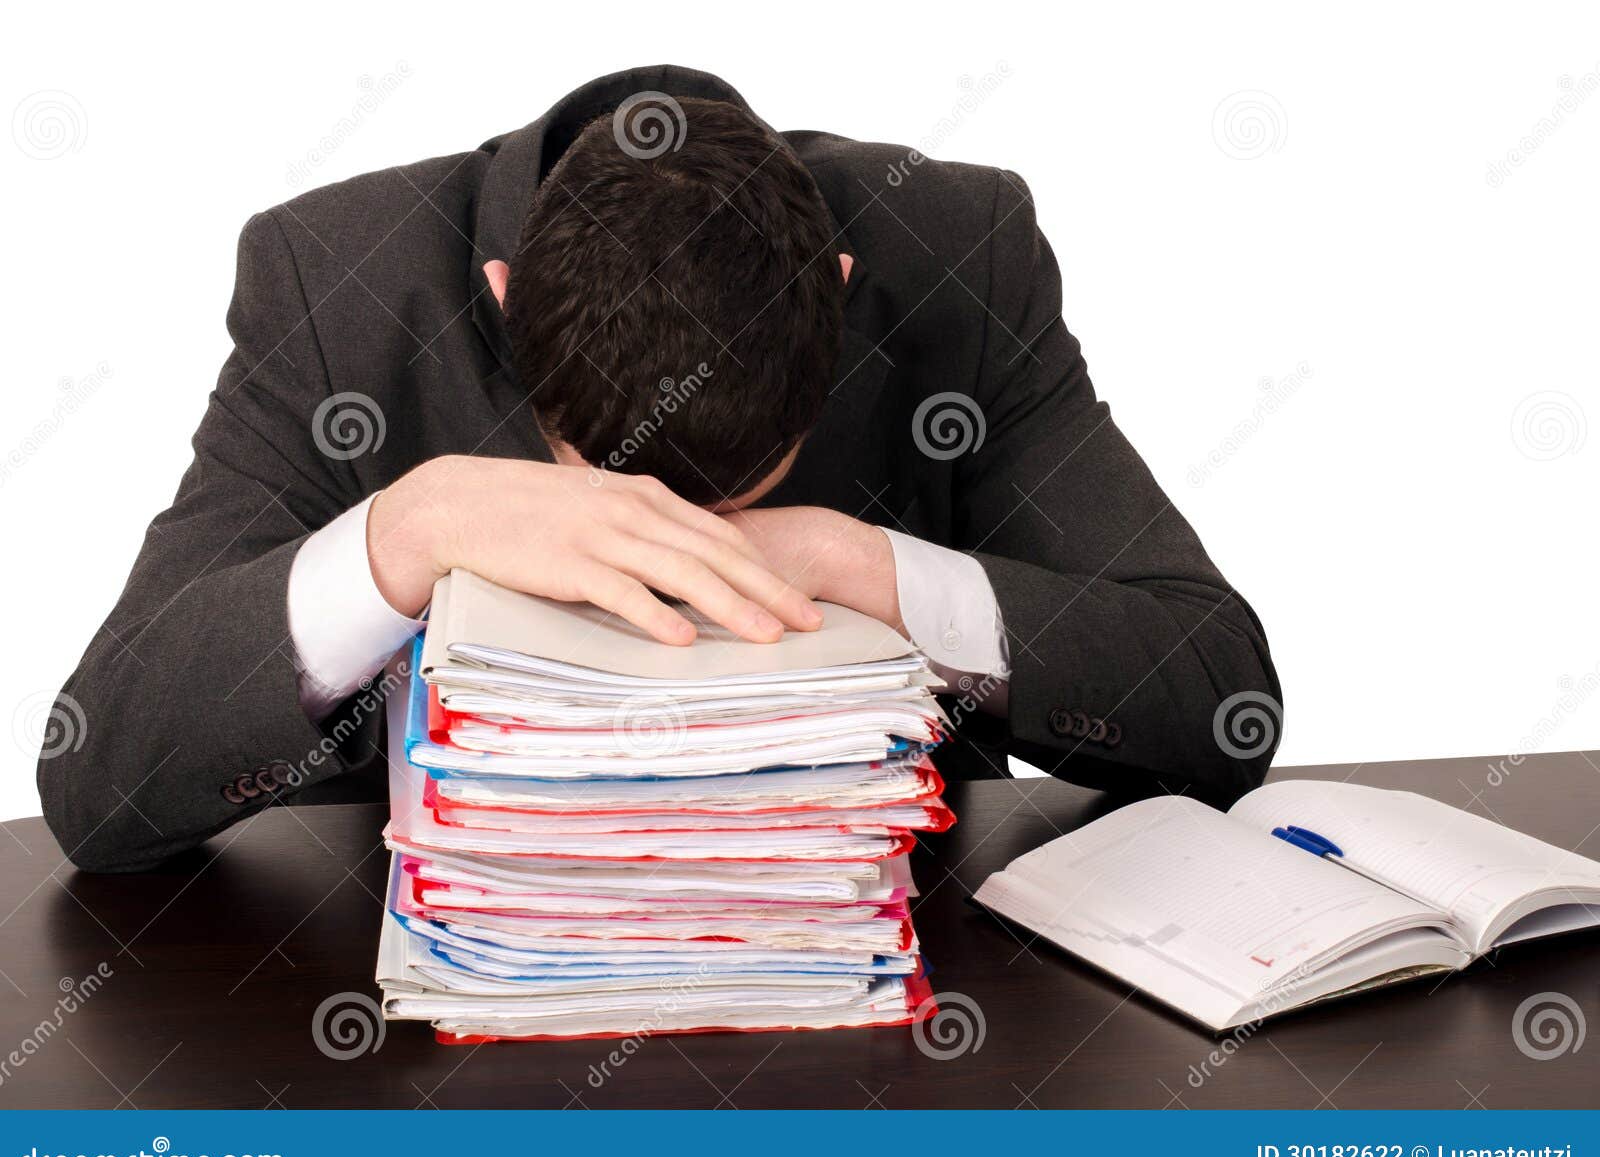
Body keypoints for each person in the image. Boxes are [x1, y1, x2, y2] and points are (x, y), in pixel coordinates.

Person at [37, 65, 1281, 872]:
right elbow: (98, 787)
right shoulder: (337, 287)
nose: (677, 552)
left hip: (874, 984)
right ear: (505, 300)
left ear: (838, 297)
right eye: (611, 488)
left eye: (734, 506)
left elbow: (1220, 701)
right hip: (453, 999)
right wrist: (402, 533)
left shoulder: (961, 255)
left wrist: (863, 566)